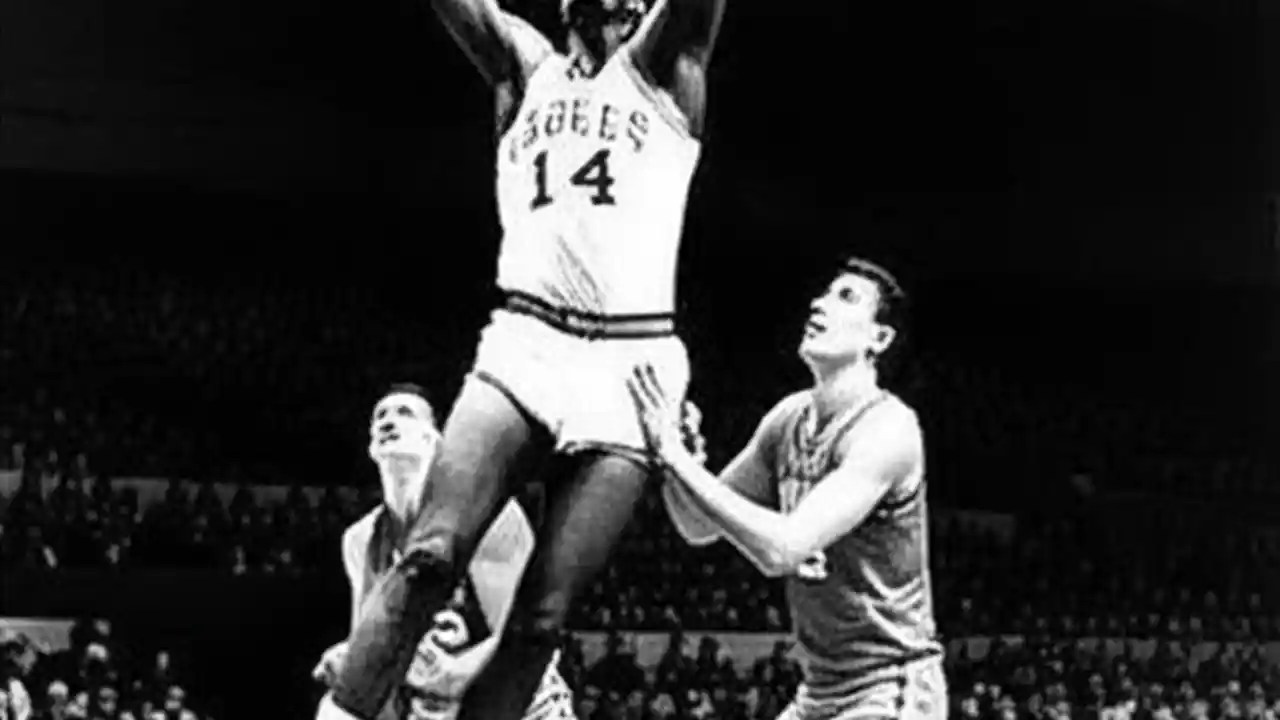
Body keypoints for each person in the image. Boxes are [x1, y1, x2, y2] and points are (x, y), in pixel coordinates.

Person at [328, 0, 727, 716]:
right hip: (526, 341)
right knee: (430, 555)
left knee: (540, 619)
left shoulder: (669, 69)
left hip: (629, 364)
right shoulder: (523, 64)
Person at [629, 257, 948, 720]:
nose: (820, 303)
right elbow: (694, 525)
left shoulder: (887, 430)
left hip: (890, 687)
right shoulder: (788, 419)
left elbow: (782, 550)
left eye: (846, 297)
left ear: (879, 338)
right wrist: (678, 460)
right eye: (823, 293)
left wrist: (677, 457)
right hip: (819, 690)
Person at [314, 384, 576, 720]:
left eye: (405, 413)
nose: (388, 422)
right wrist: (348, 660)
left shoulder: (488, 516)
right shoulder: (360, 539)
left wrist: (453, 676)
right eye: (380, 416)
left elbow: (522, 637)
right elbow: (372, 648)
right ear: (371, 447)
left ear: (434, 441)